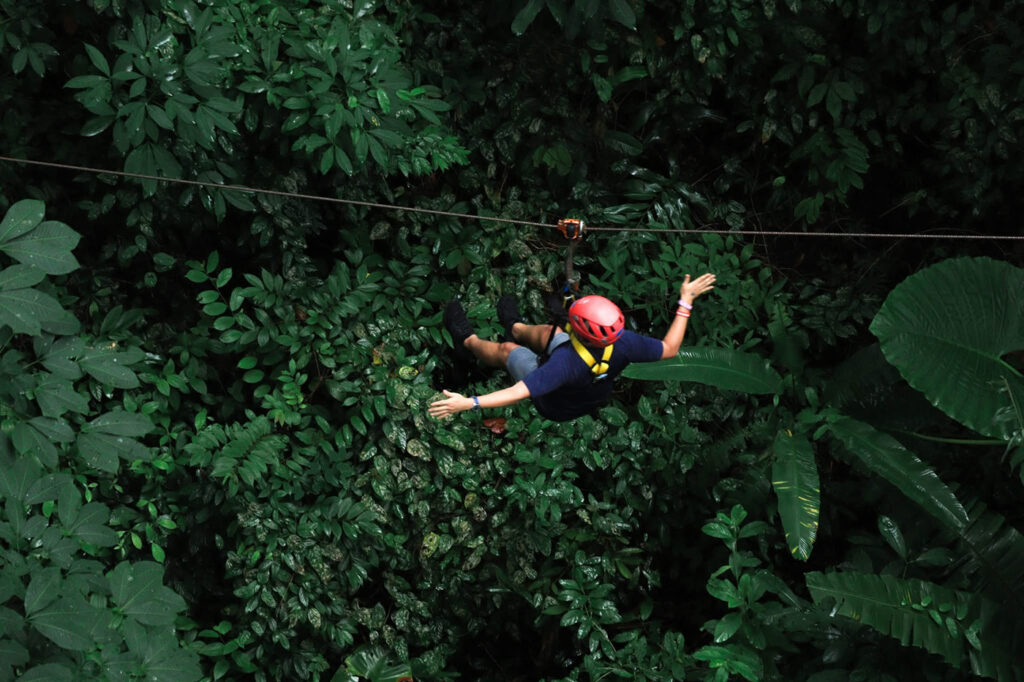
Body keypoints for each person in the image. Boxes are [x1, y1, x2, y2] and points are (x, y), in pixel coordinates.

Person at [428, 273, 716, 422]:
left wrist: (470, 402)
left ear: (579, 332)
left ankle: (467, 341)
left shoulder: (563, 364)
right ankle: (515, 326)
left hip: (555, 403)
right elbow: (669, 348)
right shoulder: (624, 341)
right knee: (543, 333)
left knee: (508, 351)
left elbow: (518, 392)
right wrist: (686, 301)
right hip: (589, 384)